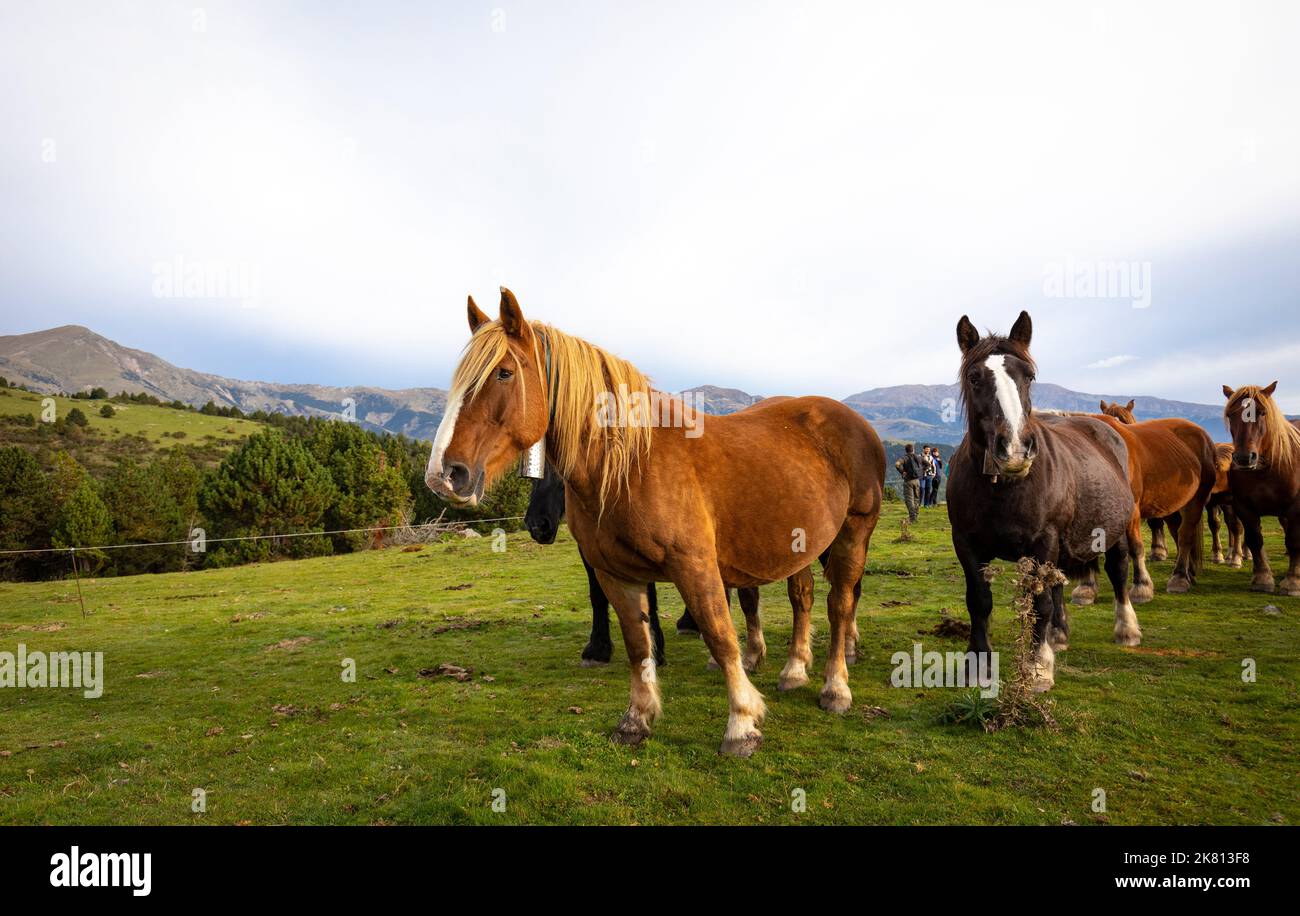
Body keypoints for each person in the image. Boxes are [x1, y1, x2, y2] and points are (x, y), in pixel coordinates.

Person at [895, 443, 922, 522]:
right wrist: (921, 471)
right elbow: (928, 464)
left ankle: (912, 517)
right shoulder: (918, 457)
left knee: (909, 500)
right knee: (916, 499)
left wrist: (902, 472)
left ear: (906, 450)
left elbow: (897, 464)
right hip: (917, 481)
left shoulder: (904, 458)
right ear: (913, 449)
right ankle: (916, 515)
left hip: (908, 481)